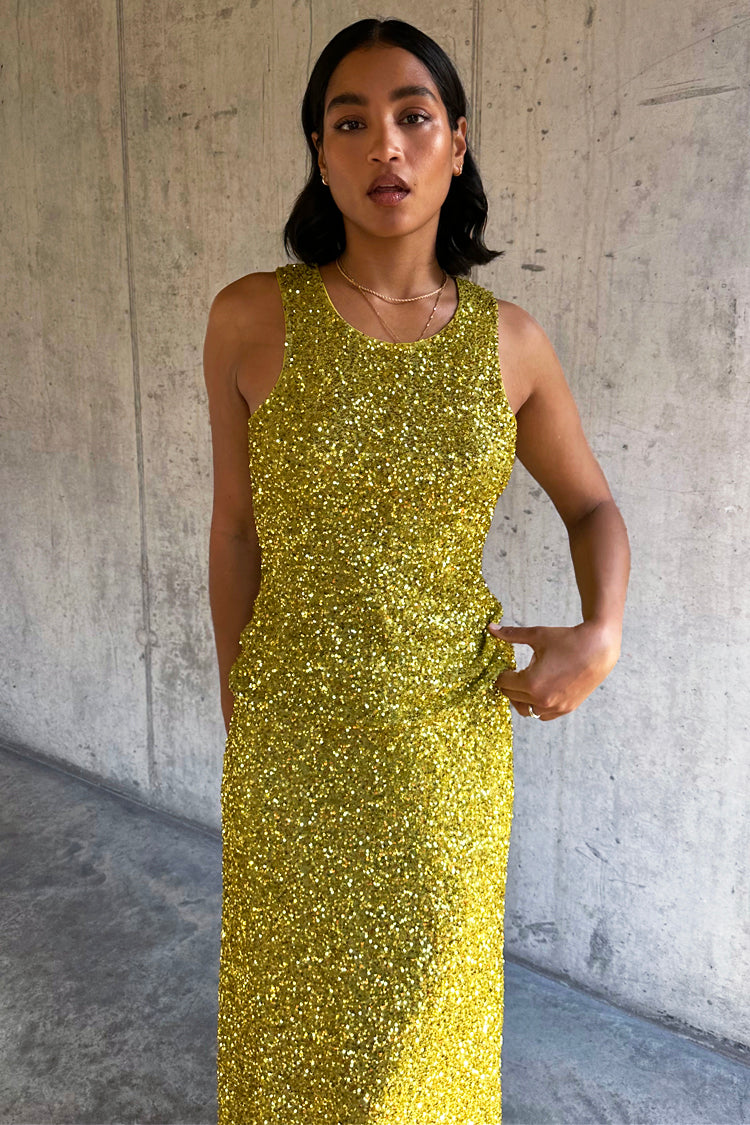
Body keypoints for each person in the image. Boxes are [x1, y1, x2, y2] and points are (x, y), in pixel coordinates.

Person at [203, 17, 629, 1124]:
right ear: (319, 151)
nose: (384, 144)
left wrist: (601, 632)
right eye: (350, 122)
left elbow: (591, 506)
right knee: (295, 1022)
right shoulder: (250, 317)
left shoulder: (510, 343)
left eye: (414, 116)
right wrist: (241, 709)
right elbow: (237, 531)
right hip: (292, 736)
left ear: (457, 143)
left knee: (417, 1046)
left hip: (445, 750)